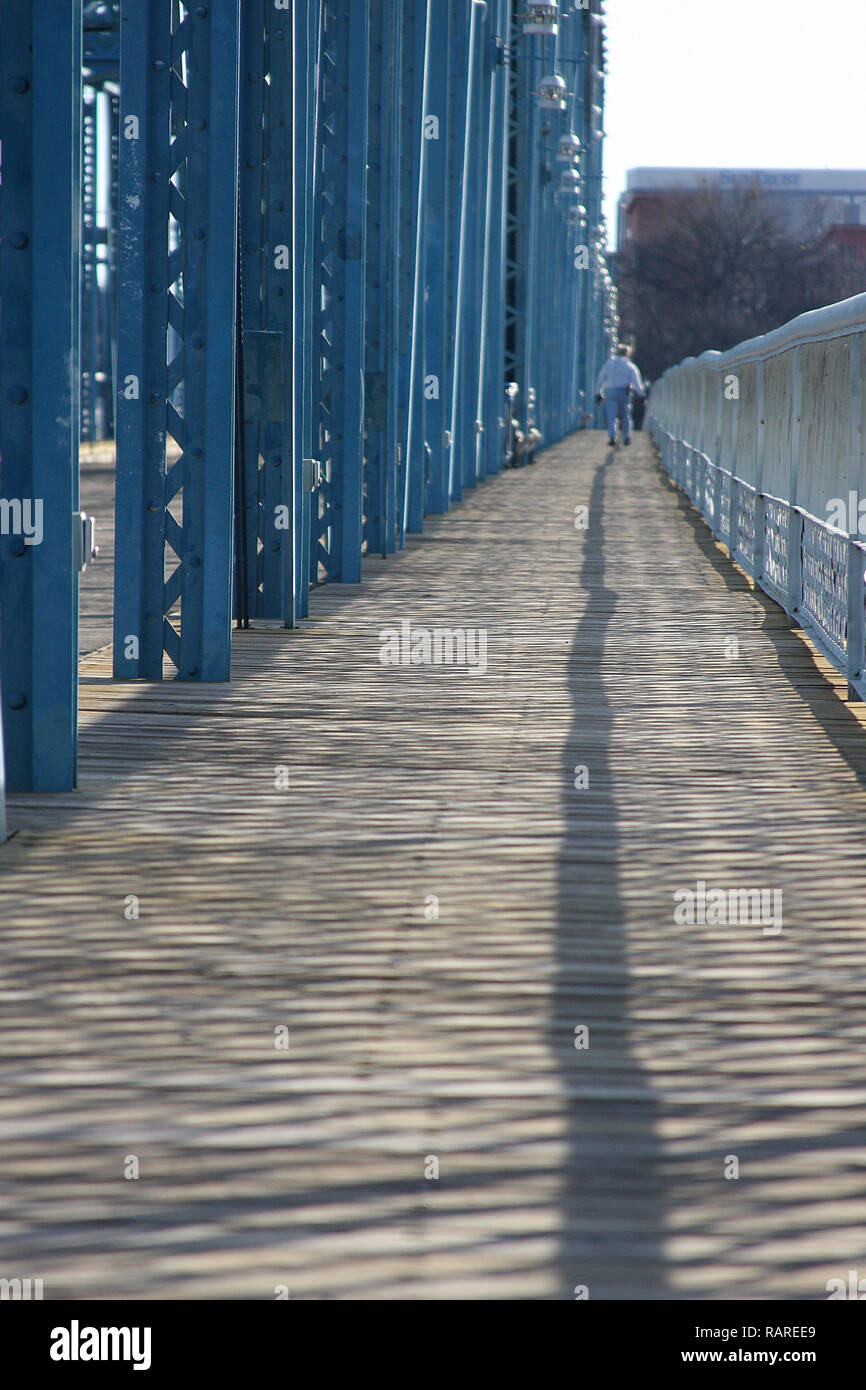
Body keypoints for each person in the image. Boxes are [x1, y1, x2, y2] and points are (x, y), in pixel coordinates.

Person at [595, 344, 646, 447]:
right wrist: (641, 395)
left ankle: (612, 436)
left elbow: (601, 378)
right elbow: (637, 383)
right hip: (625, 392)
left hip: (611, 391)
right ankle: (627, 436)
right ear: (627, 354)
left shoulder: (609, 364)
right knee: (626, 415)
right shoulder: (630, 366)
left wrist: (598, 393)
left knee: (611, 415)